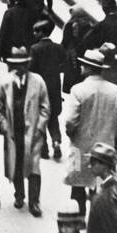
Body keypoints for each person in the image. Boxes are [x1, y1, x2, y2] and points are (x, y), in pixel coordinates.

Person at [63, 48, 117, 211]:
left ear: (88, 68)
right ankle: (96, 221)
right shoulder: (114, 91)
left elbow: (70, 121)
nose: (81, 67)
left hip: (79, 148)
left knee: (77, 186)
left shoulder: (78, 90)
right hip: (105, 151)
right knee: (100, 187)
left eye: (84, 65)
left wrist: (73, 135)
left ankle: (78, 220)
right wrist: (110, 136)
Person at [0, 47, 50, 217]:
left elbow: (45, 108)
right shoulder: (4, 83)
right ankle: (19, 195)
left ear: (27, 64)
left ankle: (34, 202)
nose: (19, 68)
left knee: (34, 168)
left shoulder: (38, 82)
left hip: (33, 133)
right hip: (13, 132)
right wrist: (4, 127)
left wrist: (40, 127)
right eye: (15, 64)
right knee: (16, 164)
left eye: (23, 64)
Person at [29, 18, 65, 160]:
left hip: (39, 88)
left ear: (42, 32)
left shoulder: (35, 49)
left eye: (36, 31)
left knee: (40, 118)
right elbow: (64, 63)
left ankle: (43, 149)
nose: (34, 34)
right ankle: (56, 142)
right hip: (55, 88)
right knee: (53, 118)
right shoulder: (58, 48)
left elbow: (31, 69)